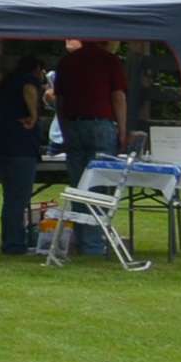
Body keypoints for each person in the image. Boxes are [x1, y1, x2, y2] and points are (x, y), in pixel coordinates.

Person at [53, 35, 132, 260]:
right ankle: (94, 244)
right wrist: (122, 129)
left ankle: (82, 239)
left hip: (73, 124)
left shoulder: (66, 62)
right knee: (100, 184)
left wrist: (65, 127)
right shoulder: (109, 61)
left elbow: (59, 100)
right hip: (100, 123)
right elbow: (118, 96)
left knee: (78, 184)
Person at [0, 42, 56, 261]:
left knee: (10, 197)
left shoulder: (4, 84)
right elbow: (29, 89)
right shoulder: (27, 80)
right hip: (20, 148)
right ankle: (14, 243)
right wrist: (33, 114)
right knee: (18, 198)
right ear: (36, 69)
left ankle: (10, 240)